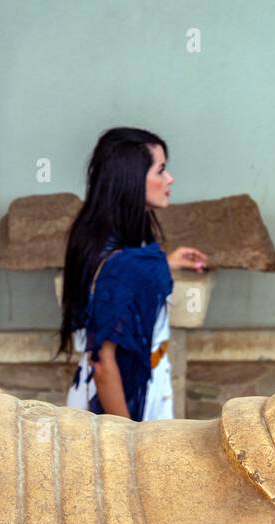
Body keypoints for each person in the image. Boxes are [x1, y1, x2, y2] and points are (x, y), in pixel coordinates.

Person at [60, 128, 207, 419]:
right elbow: (104, 363)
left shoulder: (101, 238)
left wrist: (167, 262)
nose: (170, 179)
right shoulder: (124, 265)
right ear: (131, 178)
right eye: (161, 170)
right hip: (120, 402)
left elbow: (120, 281)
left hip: (134, 385)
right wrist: (126, 437)